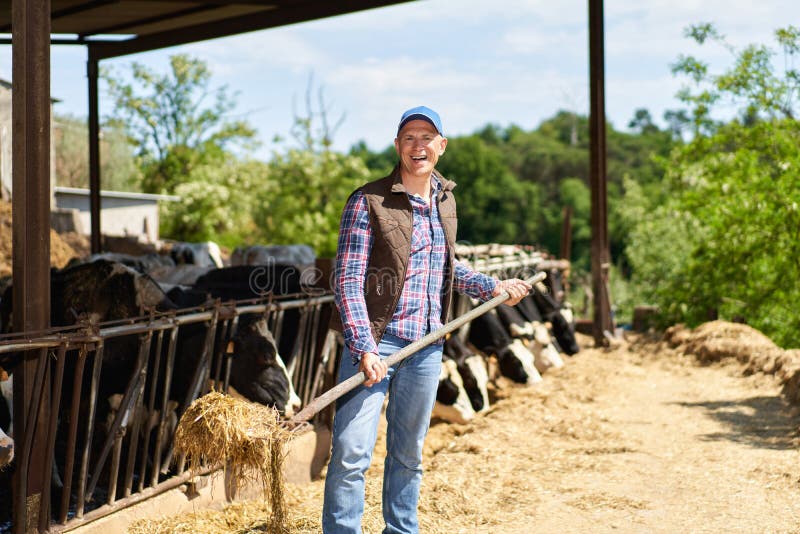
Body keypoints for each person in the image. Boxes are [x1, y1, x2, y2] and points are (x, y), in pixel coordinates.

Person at [323, 106, 531, 533]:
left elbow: (448, 269)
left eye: (427, 137)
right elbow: (346, 281)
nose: (418, 146)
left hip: (426, 348)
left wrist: (494, 287)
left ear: (442, 146)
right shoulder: (368, 200)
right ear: (398, 145)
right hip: (377, 343)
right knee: (350, 452)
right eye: (409, 137)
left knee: (408, 454)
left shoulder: (444, 201)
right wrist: (363, 346)